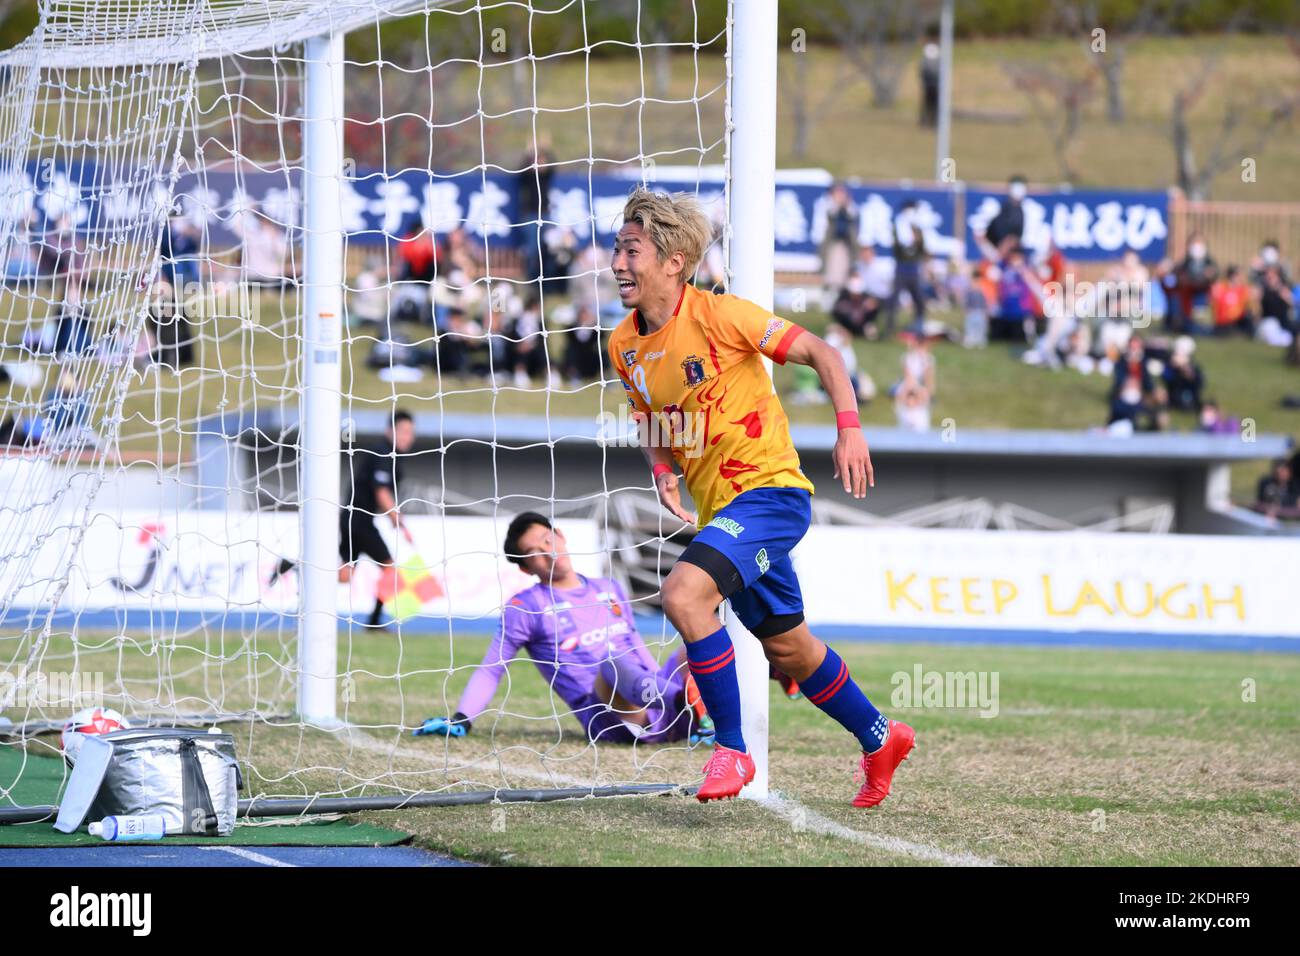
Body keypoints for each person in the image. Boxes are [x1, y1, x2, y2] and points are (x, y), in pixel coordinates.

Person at [606, 187, 914, 806]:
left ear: (673, 260)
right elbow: (649, 419)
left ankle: (732, 750)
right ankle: (882, 736)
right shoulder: (622, 344)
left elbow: (822, 352)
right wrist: (663, 469)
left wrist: (849, 428)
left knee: (683, 593)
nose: (617, 263)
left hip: (771, 495)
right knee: (790, 648)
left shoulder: (722, 317)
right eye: (616, 249)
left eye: (630, 250)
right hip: (724, 514)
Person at [413, 512, 712, 745]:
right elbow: (493, 668)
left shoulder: (608, 587)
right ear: (525, 568)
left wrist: (660, 676)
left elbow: (635, 644)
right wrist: (462, 718)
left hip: (651, 693)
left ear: (561, 536)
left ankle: (702, 714)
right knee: (612, 662)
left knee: (705, 639)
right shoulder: (526, 607)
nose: (548, 552)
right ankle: (686, 705)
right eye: (534, 551)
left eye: (547, 539)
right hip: (612, 717)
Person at [268, 411, 417, 629]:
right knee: (390, 570)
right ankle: (374, 624)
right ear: (390, 431)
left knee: (345, 575)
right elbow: (382, 492)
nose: (408, 437)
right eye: (403, 431)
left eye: (411, 433)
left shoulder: (391, 457)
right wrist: (398, 519)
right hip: (360, 522)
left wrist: (393, 517)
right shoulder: (383, 454)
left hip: (353, 520)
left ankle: (293, 565)